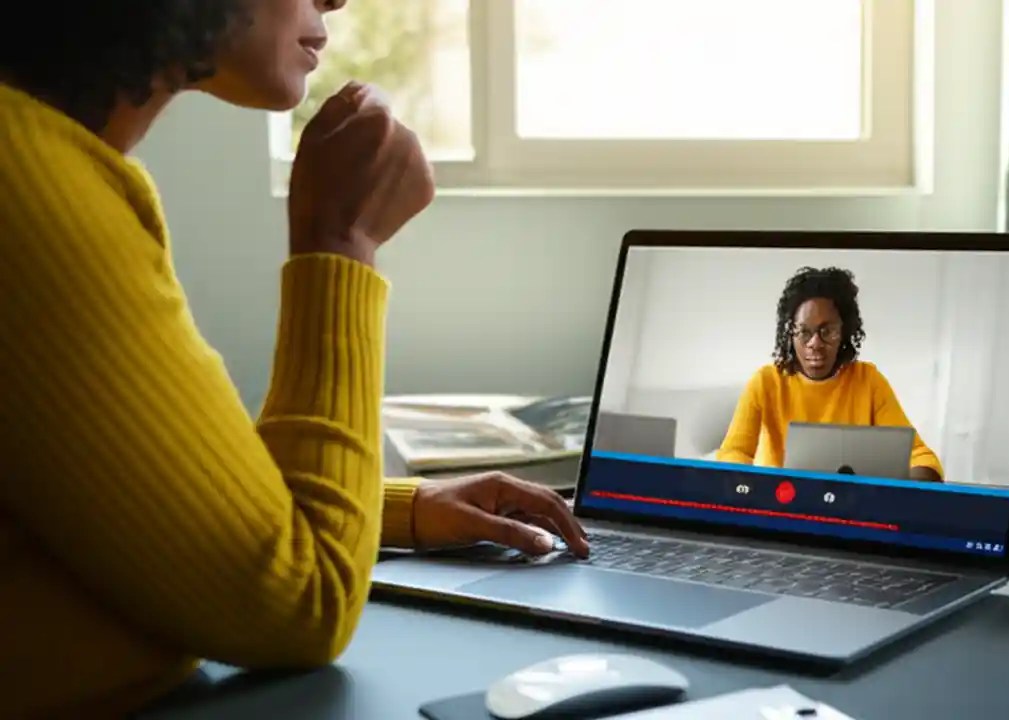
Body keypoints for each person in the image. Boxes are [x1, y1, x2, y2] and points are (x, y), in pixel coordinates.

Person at [0, 2, 588, 717]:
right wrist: (339, 240)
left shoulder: (35, 154)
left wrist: (391, 510)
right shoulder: (26, 193)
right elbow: (302, 603)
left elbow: (96, 507)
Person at [716, 266, 945, 482]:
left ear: (844, 332)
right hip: (781, 508)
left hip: (852, 509)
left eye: (827, 331)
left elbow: (920, 455)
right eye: (804, 332)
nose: (815, 343)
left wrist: (910, 491)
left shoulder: (868, 381)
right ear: (790, 334)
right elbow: (733, 453)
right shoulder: (766, 382)